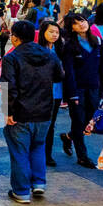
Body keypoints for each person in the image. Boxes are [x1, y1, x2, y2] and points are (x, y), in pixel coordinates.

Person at [0, 20, 63, 203]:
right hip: (44, 110)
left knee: (19, 150)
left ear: (16, 38)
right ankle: (39, 183)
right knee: (38, 147)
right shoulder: (48, 54)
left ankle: (21, 191)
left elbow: (8, 86)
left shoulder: (12, 57)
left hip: (21, 111)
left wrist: (8, 111)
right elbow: (59, 76)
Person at [57, 10, 103, 168]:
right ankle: (82, 156)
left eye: (83, 21)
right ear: (71, 28)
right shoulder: (69, 45)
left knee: (88, 119)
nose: (81, 24)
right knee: (79, 120)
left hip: (94, 87)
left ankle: (68, 137)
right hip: (77, 89)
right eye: (76, 22)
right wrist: (71, 94)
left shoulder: (98, 42)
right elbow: (69, 71)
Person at [37, 20, 66, 167]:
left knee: (51, 124)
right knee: (39, 124)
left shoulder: (60, 49)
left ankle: (47, 154)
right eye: (51, 32)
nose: (54, 35)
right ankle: (37, 152)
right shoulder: (36, 50)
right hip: (40, 93)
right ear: (43, 33)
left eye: (56, 32)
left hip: (56, 93)